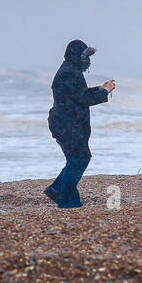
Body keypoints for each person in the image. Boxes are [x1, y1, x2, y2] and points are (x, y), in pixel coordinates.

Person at [45, 39, 115, 208]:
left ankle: (57, 190)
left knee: (76, 159)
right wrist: (105, 92)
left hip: (66, 123)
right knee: (79, 158)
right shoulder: (69, 73)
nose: (88, 61)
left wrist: (99, 89)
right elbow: (82, 98)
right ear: (77, 56)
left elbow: (78, 94)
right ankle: (67, 200)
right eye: (85, 56)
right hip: (66, 124)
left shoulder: (70, 70)